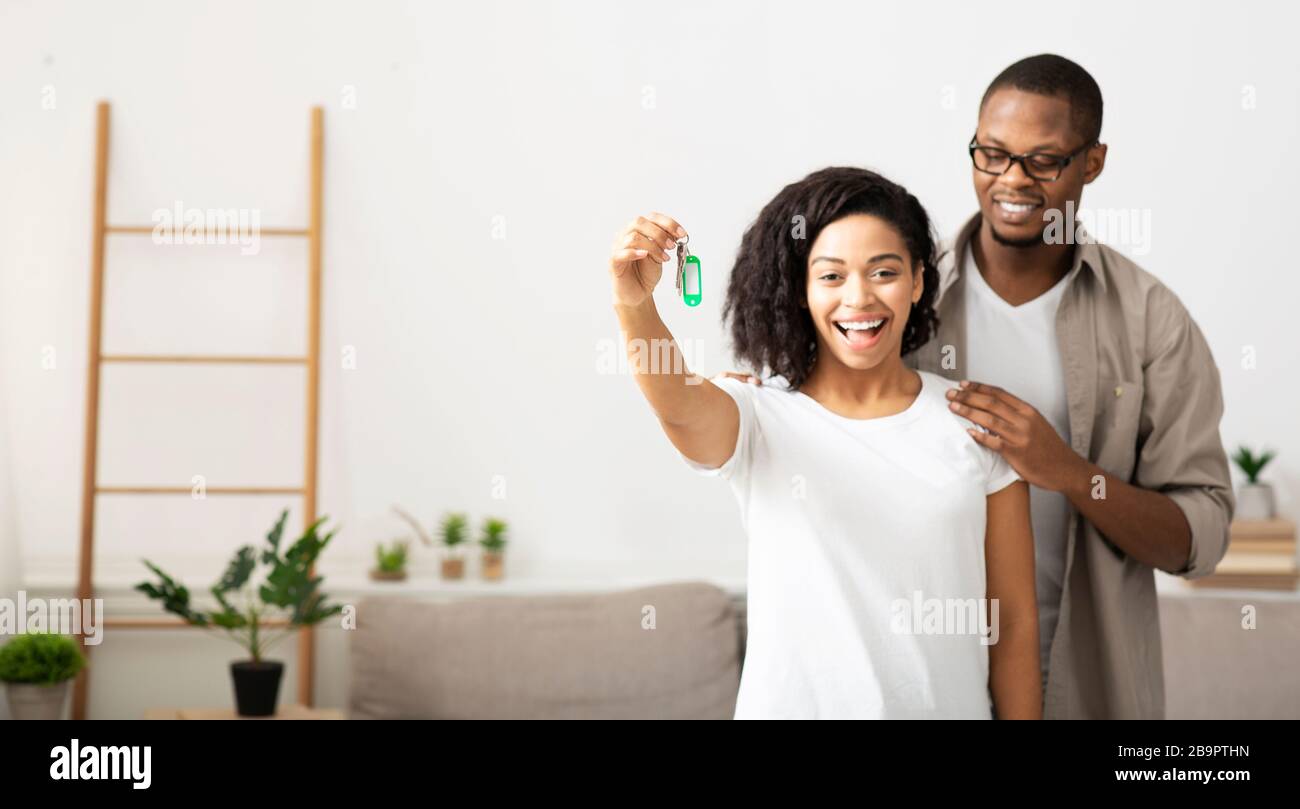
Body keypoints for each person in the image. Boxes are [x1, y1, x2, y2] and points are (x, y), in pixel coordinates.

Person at [724, 55, 1234, 719]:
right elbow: (818, 405)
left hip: (1091, 670)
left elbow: (1201, 538)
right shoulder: (892, 291)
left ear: (1093, 162)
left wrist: (1073, 474)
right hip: (938, 675)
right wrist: (762, 392)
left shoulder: (1150, 319)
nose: (1011, 180)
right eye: (991, 154)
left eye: (1043, 160)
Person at [609, 167, 1040, 719]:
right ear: (802, 292)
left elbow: (1014, 622)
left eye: (883, 272)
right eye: (831, 277)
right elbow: (679, 405)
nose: (859, 298)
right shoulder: (757, 414)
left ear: (917, 281)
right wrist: (634, 305)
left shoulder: (975, 423)